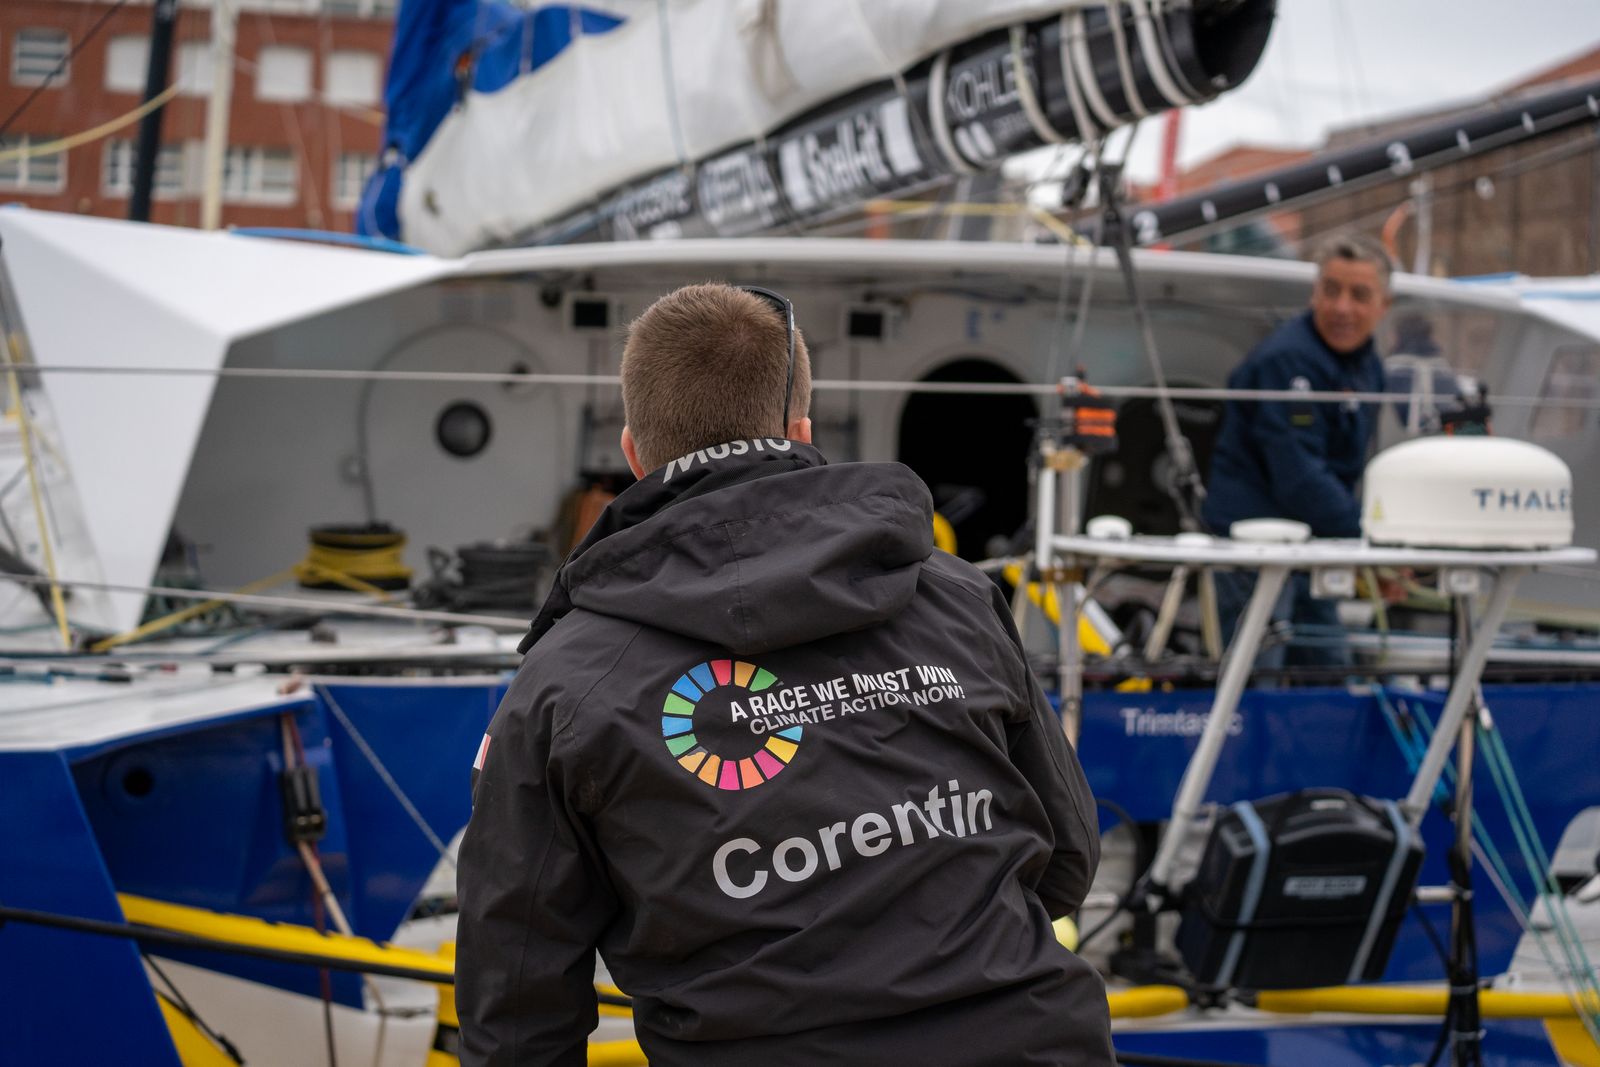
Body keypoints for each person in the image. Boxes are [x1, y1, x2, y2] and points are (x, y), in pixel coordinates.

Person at [456, 283, 1112, 1066]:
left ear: (635, 456)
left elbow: (517, 1004)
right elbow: (1067, 855)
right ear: (800, 431)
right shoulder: (957, 593)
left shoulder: (566, 682)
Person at [1202, 234, 1392, 667]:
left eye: (1359, 295)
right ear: (1315, 293)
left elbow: (1355, 464)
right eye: (1331, 290)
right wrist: (1369, 545)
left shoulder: (1369, 367)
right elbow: (1298, 475)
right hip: (1256, 546)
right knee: (1258, 673)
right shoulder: (1285, 361)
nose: (1342, 307)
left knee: (1327, 662)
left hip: (1315, 541)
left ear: (1384, 305)